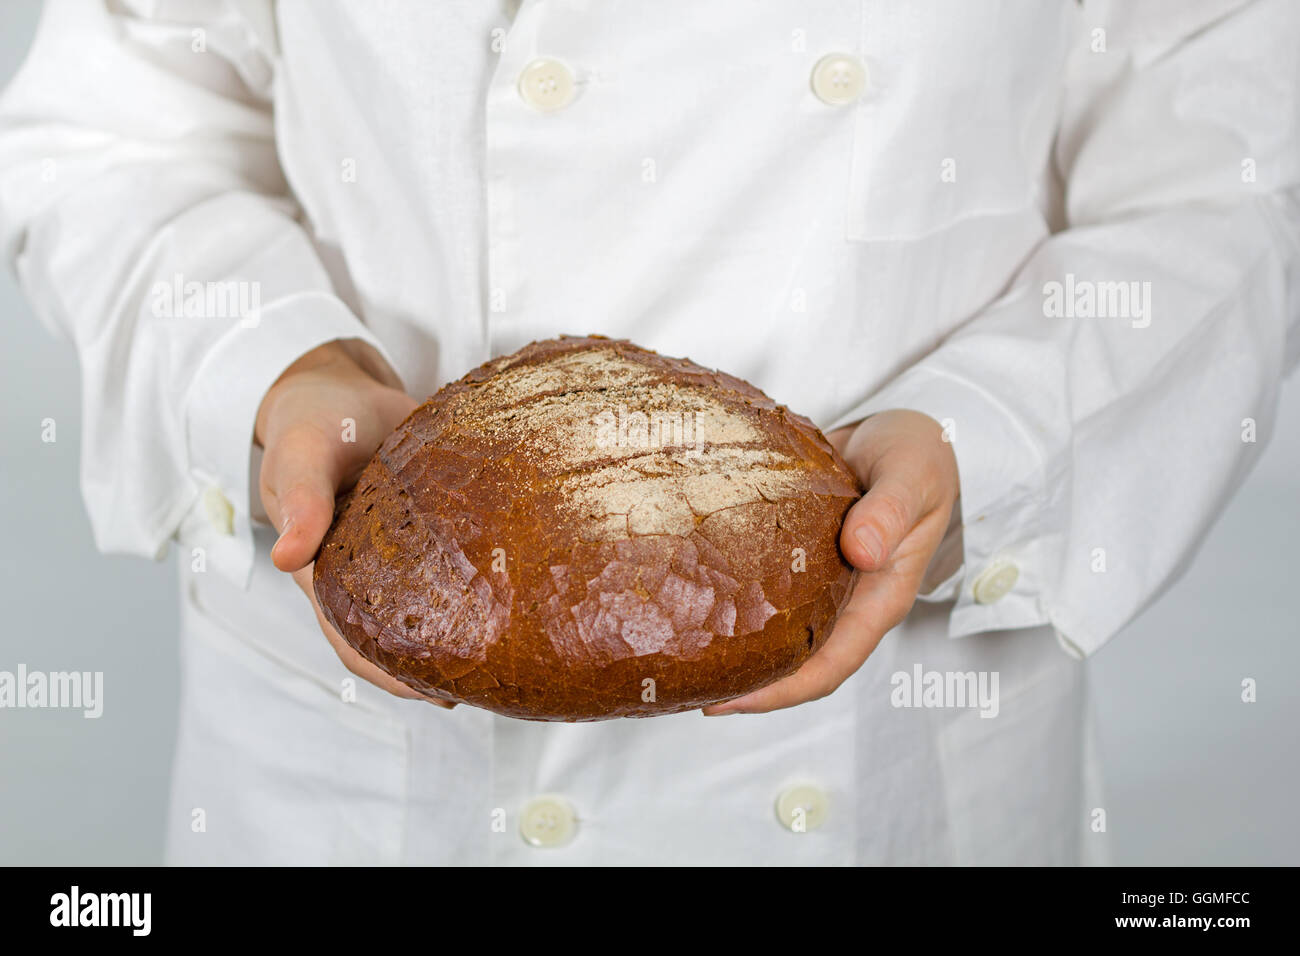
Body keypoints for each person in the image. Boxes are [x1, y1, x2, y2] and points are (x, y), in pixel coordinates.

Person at [1, 0, 1296, 865]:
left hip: (872, 757)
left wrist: (994, 431)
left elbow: (1226, 177)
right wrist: (277, 367)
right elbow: (114, 134)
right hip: (349, 773)